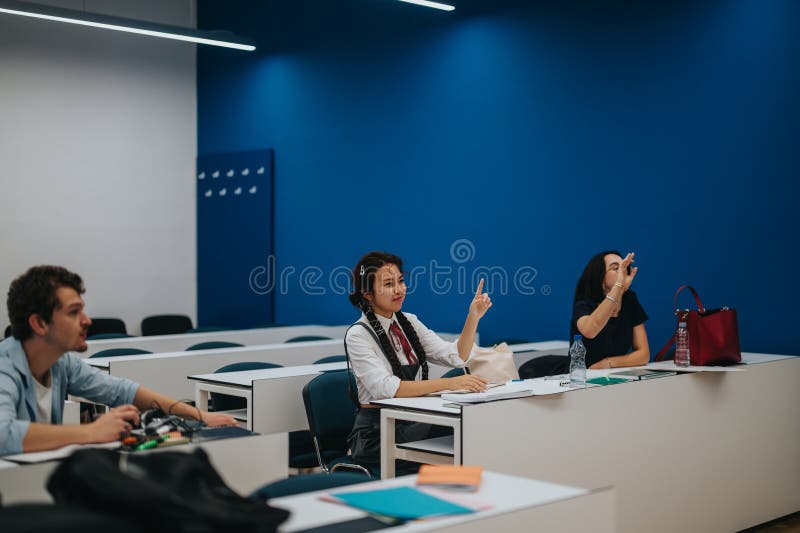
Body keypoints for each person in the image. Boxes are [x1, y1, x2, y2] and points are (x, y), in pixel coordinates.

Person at [0, 266, 237, 456]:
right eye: (74, 312)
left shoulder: (61, 363)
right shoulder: (5, 366)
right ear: (39, 324)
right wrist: (91, 432)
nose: (87, 320)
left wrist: (201, 416)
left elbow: (123, 392)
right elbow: (3, 434)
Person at [345, 251, 491, 474]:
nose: (399, 289)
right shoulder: (358, 335)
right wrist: (449, 384)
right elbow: (388, 389)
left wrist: (474, 316)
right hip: (376, 434)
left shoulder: (409, 322)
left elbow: (456, 356)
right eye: (388, 284)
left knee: (468, 428)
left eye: (401, 281)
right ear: (367, 293)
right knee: (459, 431)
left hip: (409, 420)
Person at [571, 251, 649, 369]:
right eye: (615, 268)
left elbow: (643, 355)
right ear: (600, 276)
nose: (622, 271)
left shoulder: (629, 299)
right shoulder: (584, 303)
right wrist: (618, 287)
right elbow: (590, 331)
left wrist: (609, 363)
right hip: (581, 375)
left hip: (613, 375)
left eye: (623, 267)